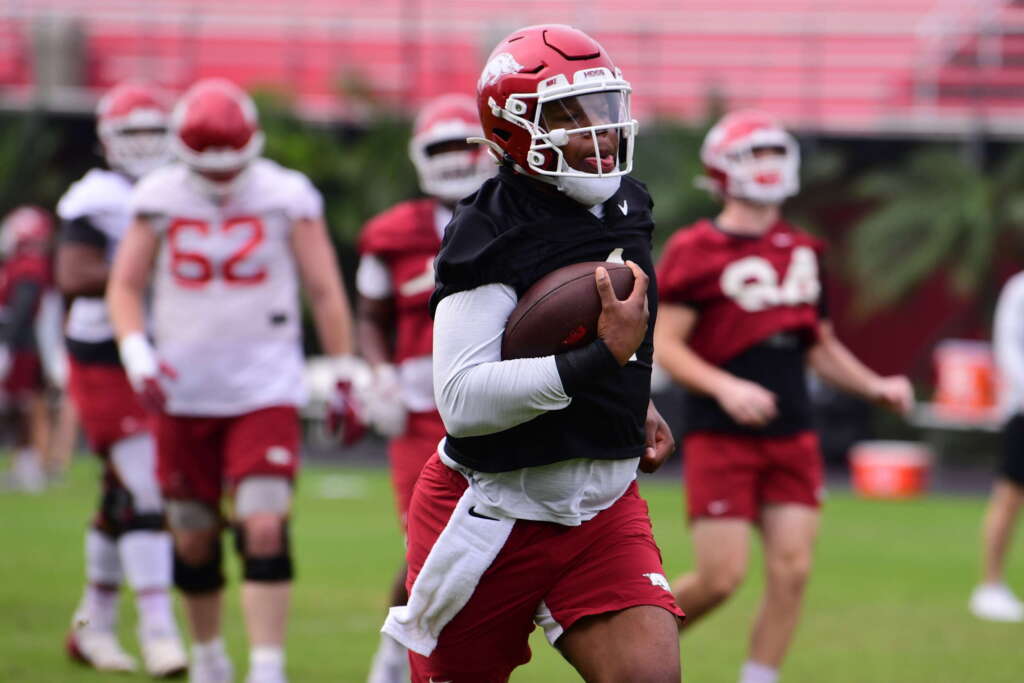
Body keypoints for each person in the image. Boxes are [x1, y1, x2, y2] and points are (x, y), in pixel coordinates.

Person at [381, 24, 683, 683]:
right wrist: (600, 362)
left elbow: (610, 325)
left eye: (604, 107)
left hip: (602, 505)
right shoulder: (488, 227)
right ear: (515, 129)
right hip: (494, 510)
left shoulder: (628, 200)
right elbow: (462, 402)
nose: (601, 131)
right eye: (571, 116)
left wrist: (634, 398)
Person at [107, 77, 362, 683]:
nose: (221, 180)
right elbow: (125, 286)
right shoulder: (158, 194)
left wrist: (343, 371)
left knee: (264, 525)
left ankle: (267, 667)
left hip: (263, 387)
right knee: (193, 537)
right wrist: (137, 353)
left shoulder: (286, 194)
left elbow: (325, 290)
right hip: (182, 389)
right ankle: (209, 657)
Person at [654, 110, 915, 683]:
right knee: (720, 577)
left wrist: (874, 384)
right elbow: (666, 344)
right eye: (755, 154)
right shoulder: (695, 247)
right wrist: (726, 386)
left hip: (793, 431)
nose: (768, 164)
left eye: (775, 152)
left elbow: (819, 345)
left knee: (793, 571)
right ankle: (631, 652)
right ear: (722, 168)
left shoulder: (803, 248)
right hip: (722, 432)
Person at [357, 93, 493, 683]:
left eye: (464, 144)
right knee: (427, 545)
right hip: (422, 408)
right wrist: (378, 372)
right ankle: (396, 656)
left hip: (498, 400)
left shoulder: (516, 215)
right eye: (441, 147)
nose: (455, 158)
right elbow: (371, 315)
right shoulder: (392, 234)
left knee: (491, 551)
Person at [56, 81, 188, 676]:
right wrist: (145, 269)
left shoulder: (180, 188)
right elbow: (74, 272)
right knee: (148, 488)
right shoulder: (97, 196)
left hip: (158, 352)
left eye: (153, 130)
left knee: (123, 495)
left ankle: (92, 626)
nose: (143, 143)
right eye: (131, 132)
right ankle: (159, 630)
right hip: (105, 355)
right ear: (107, 139)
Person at [969, 272, 1024, 622]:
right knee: (1010, 496)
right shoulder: (1019, 290)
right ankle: (990, 585)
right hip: (1022, 412)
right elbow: (1007, 348)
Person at [0, 206, 57, 493]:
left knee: (23, 407)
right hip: (19, 343)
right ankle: (24, 464)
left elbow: (22, 309)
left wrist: (6, 345)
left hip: (21, 345)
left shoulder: (29, 266)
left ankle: (32, 465)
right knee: (17, 408)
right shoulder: (19, 264)